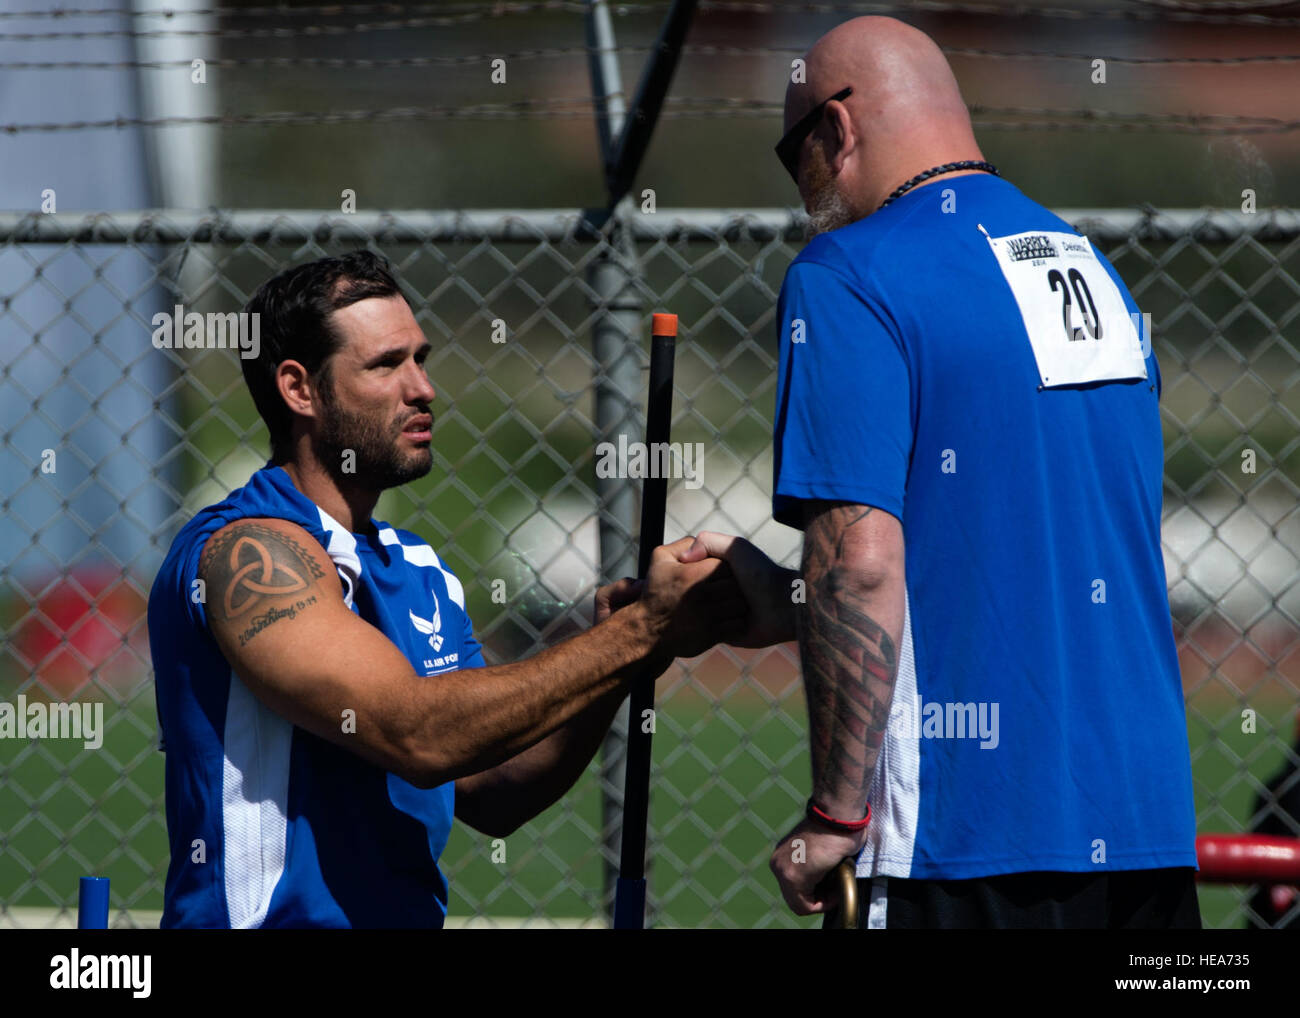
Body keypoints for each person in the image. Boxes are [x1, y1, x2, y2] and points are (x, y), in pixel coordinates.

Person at [681, 15, 1200, 928]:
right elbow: (1032, 547)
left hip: (963, 840)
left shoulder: (846, 272)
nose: (800, 191)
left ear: (837, 129)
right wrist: (791, 601)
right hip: (1143, 834)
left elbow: (862, 562)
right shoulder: (1090, 268)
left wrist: (836, 816)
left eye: (791, 152)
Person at [147, 250, 745, 928]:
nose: (423, 388)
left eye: (420, 359)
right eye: (385, 365)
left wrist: (623, 656)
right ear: (299, 389)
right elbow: (417, 733)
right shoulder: (247, 553)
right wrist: (635, 634)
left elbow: (491, 788)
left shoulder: (417, 568)